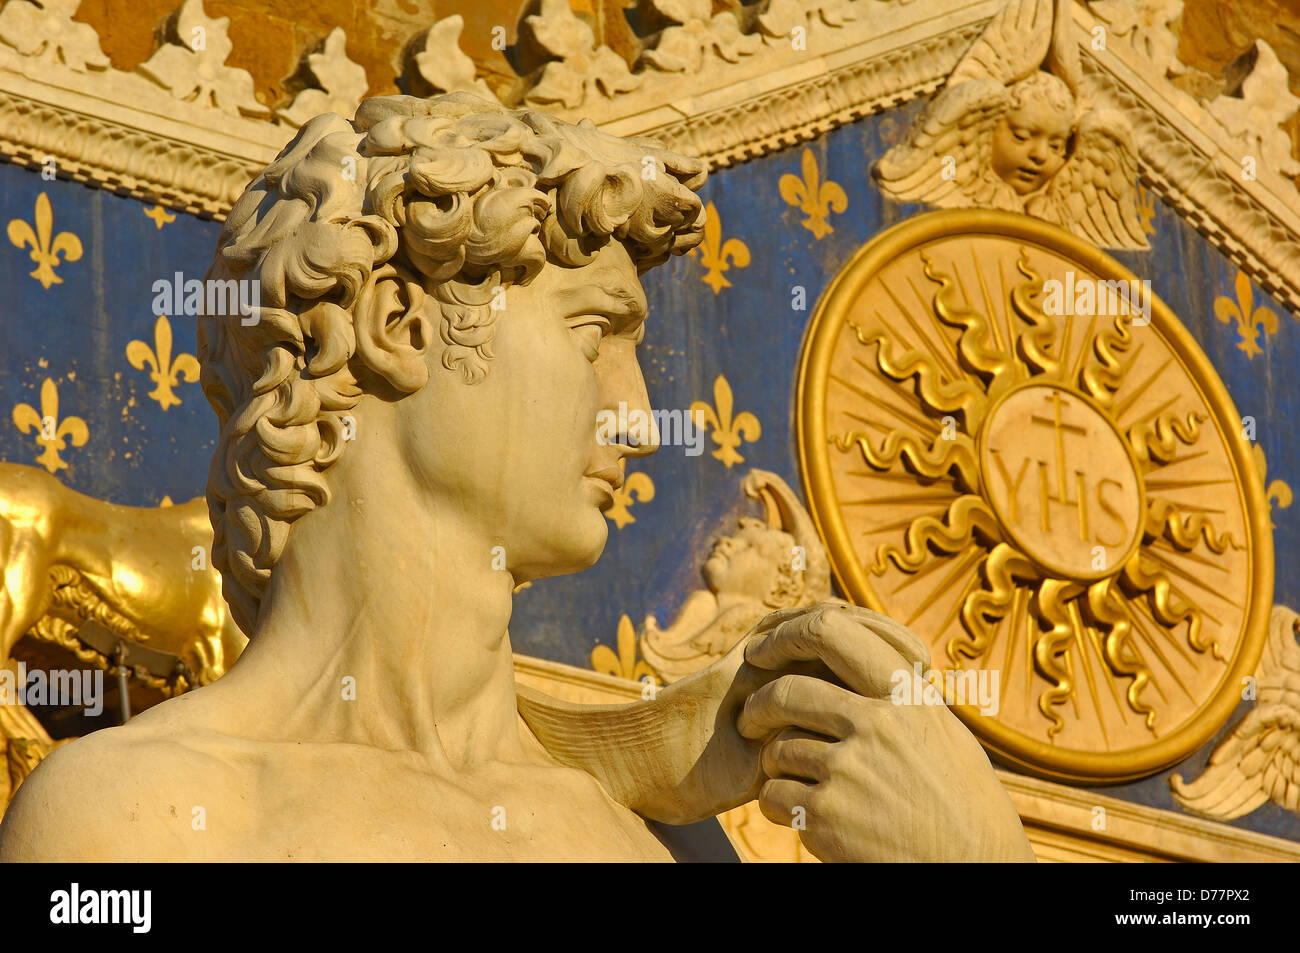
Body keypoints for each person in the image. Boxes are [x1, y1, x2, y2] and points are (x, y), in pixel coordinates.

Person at [0, 93, 1033, 861]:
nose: (635, 417)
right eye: (594, 333)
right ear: (400, 326)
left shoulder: (633, 843)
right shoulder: (141, 820)